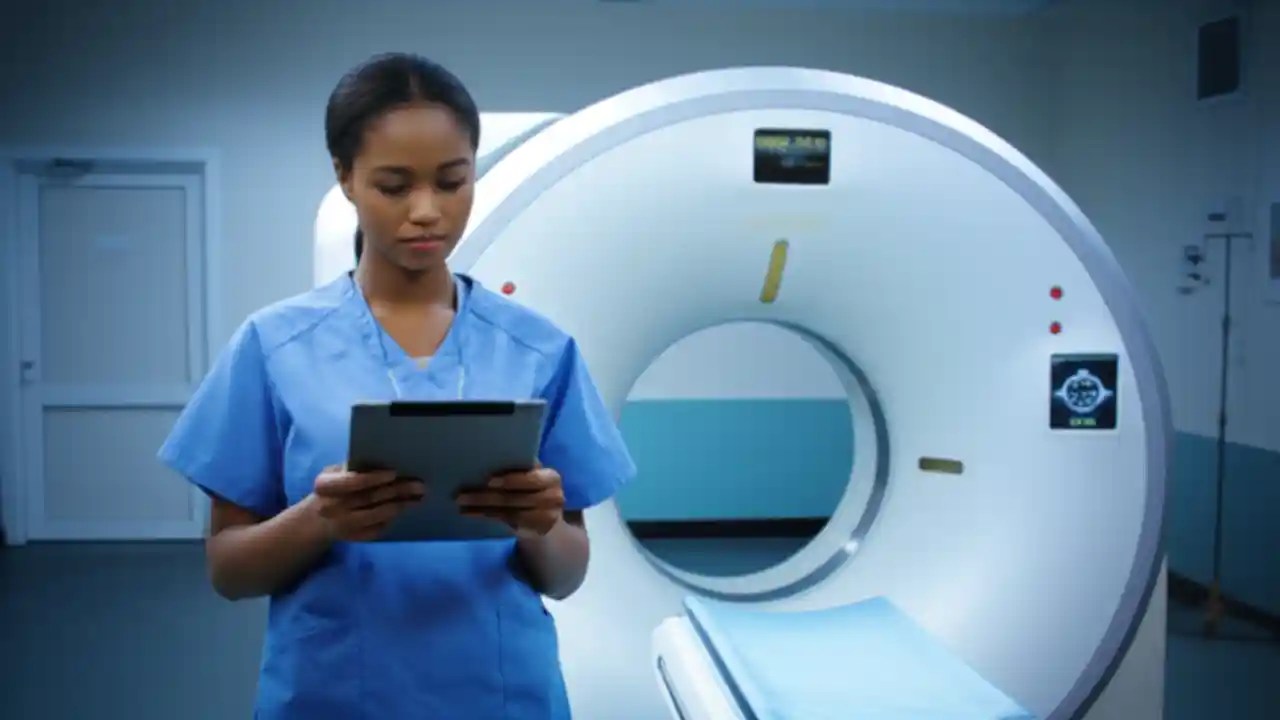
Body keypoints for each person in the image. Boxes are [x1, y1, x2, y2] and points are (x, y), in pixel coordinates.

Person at [157, 52, 636, 719]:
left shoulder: (539, 349)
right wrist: (321, 518)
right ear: (345, 178)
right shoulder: (273, 346)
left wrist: (540, 523)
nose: (426, 212)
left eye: (451, 182)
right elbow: (229, 572)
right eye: (393, 185)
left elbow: (566, 573)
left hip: (499, 692)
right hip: (334, 693)